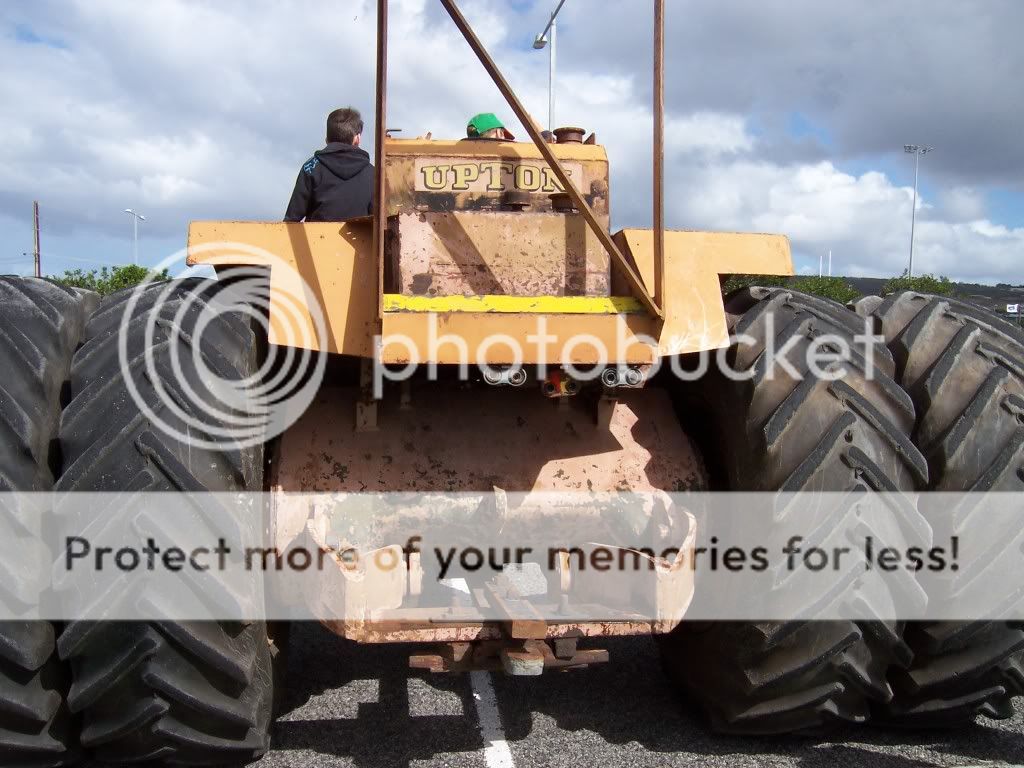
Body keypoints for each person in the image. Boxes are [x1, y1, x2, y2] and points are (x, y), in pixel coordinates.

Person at [285, 107, 374, 222]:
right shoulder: (373, 174)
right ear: (357, 138)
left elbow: (292, 219)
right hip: (358, 239)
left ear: (327, 139)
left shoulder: (311, 167)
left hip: (316, 239)